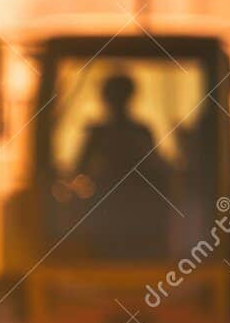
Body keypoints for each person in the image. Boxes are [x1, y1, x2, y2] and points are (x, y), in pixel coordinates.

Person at [69, 72, 169, 259]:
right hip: (121, 213)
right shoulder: (139, 131)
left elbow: (78, 170)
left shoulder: (100, 134)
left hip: (117, 212)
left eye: (115, 95)